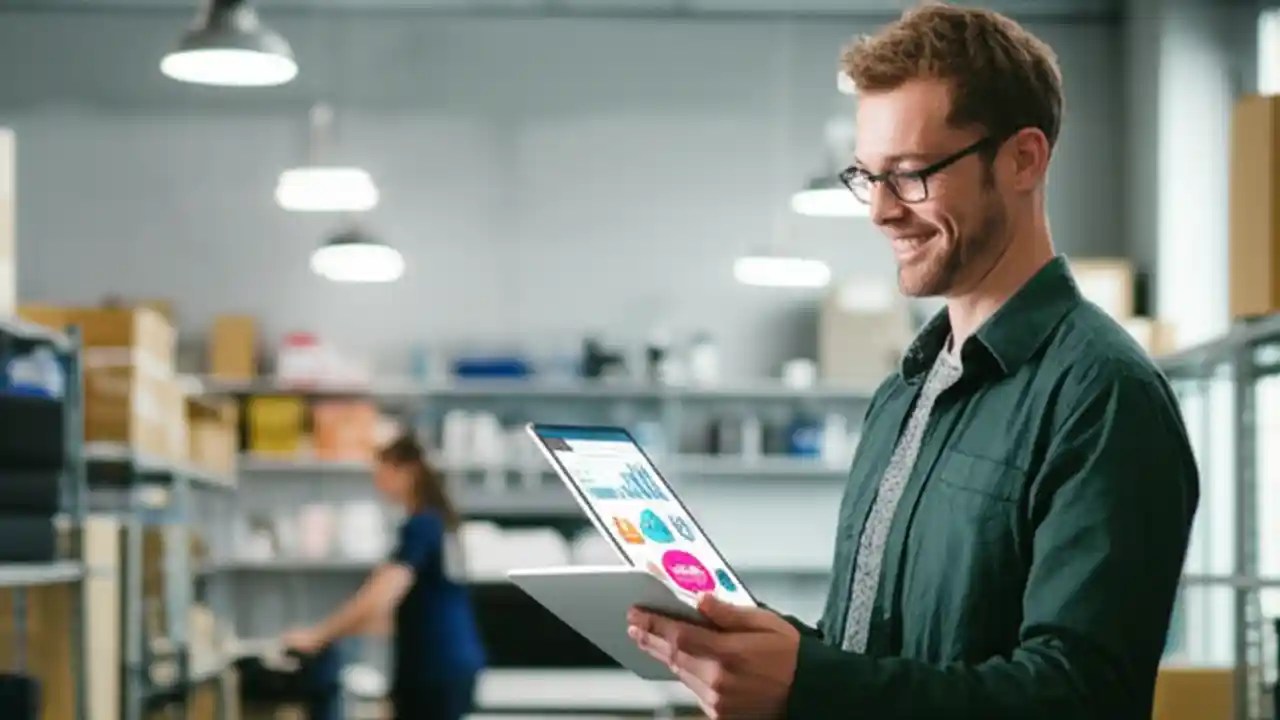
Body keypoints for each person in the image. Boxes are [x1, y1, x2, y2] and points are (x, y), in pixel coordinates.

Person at [626, 5, 1200, 719]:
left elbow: (1079, 697)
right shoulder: (906, 392)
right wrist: (765, 654)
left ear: (1023, 158)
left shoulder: (1103, 395)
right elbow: (882, 660)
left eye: (912, 174)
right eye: (868, 176)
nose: (880, 211)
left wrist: (811, 683)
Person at [283, 434, 486, 720]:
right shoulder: (441, 523)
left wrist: (318, 636)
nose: (378, 482)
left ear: (408, 471)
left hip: (434, 666)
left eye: (382, 472)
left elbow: (379, 598)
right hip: (455, 661)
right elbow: (397, 609)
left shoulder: (420, 526)